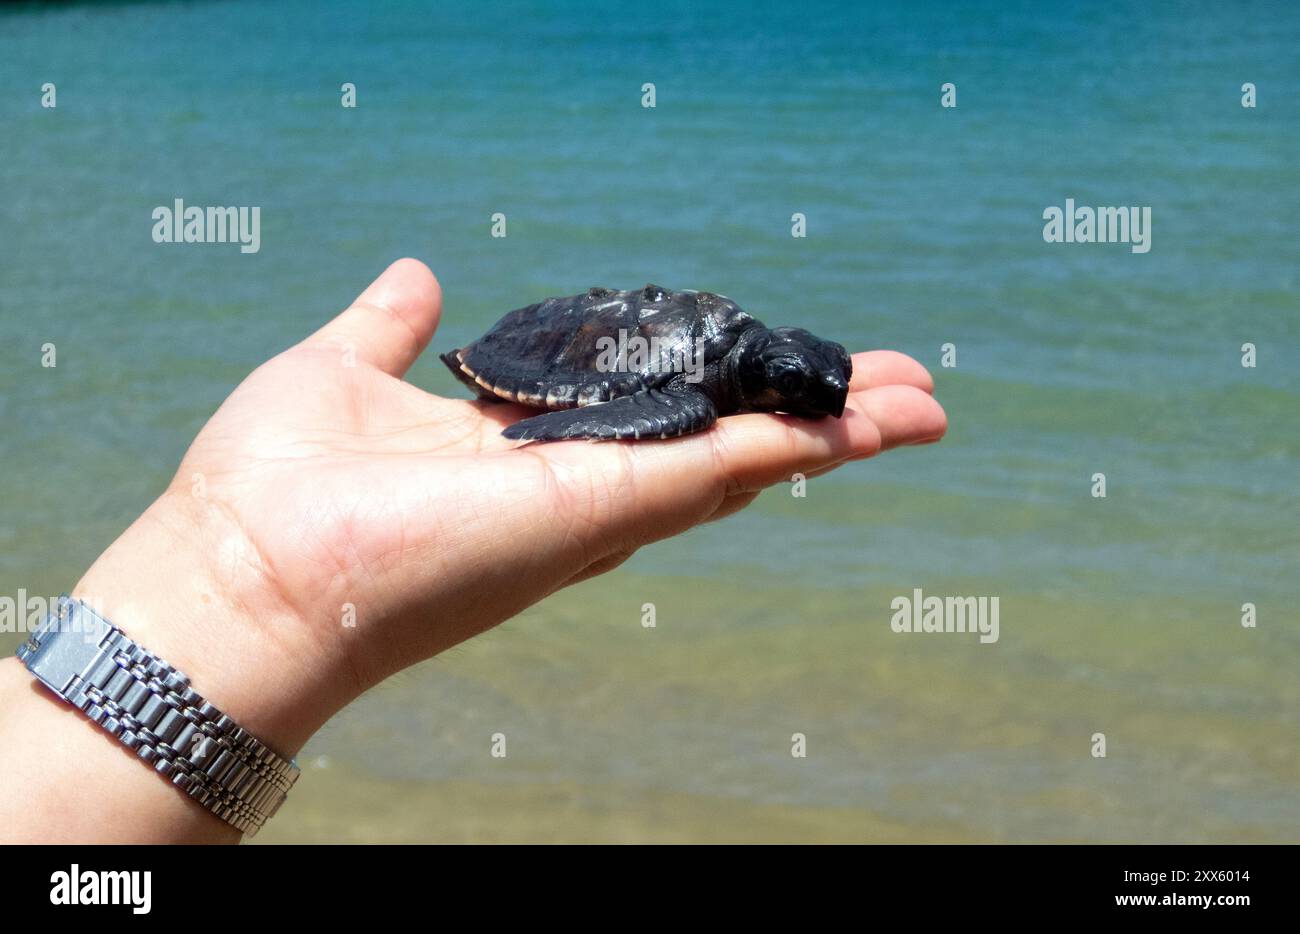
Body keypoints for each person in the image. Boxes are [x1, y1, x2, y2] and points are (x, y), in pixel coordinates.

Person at [0, 259, 946, 843]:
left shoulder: (760, 366)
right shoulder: (700, 381)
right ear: (753, 367)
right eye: (792, 383)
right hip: (556, 352)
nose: (812, 398)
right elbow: (660, 399)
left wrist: (252, 612)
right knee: (680, 418)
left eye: (819, 382)